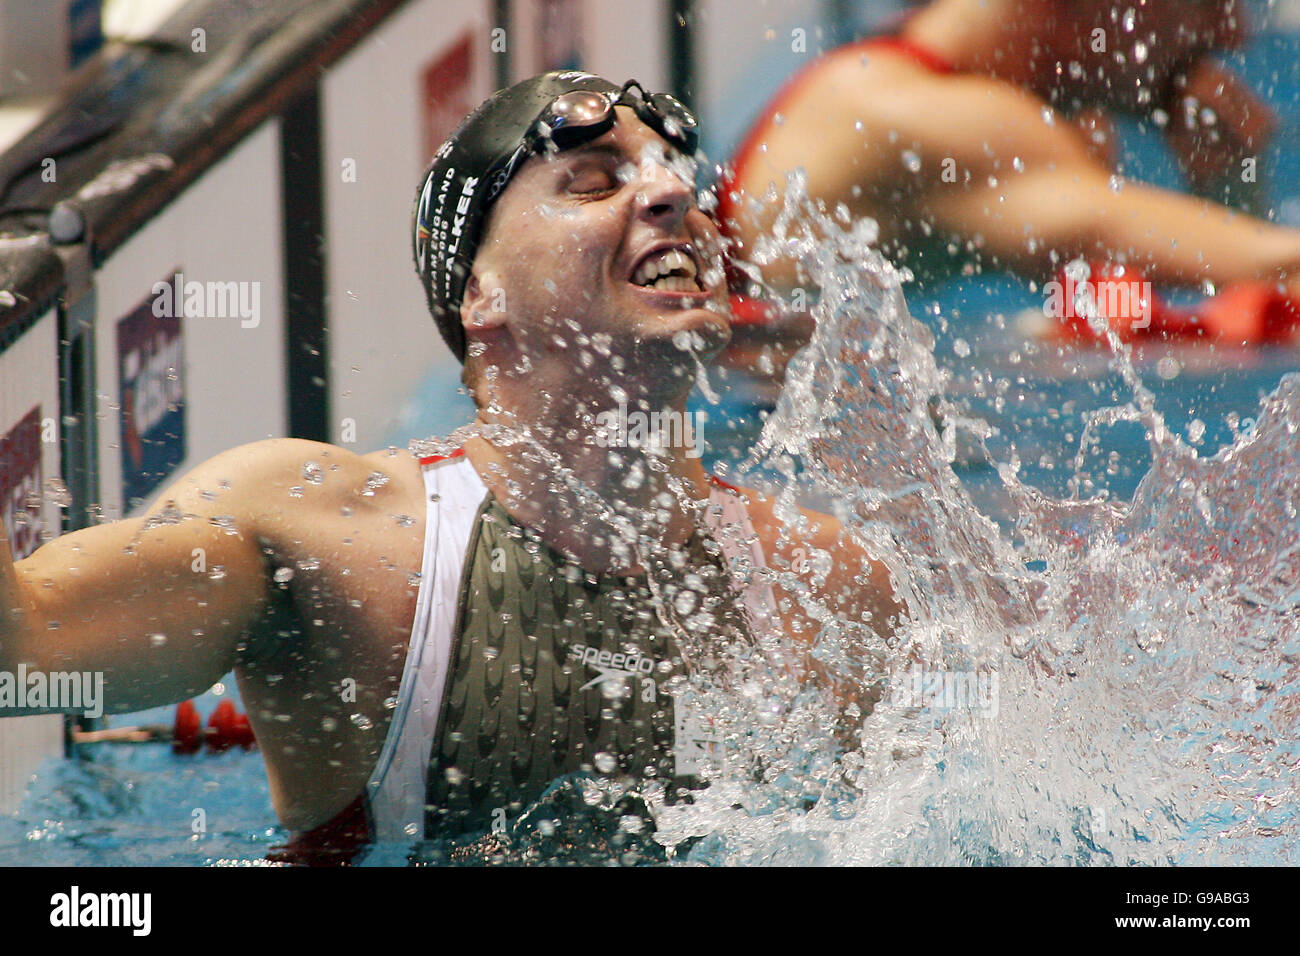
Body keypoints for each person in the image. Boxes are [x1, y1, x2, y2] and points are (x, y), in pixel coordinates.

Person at [0, 72, 900, 864]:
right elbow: (23, 656)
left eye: (675, 174)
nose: (673, 194)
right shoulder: (319, 537)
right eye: (591, 185)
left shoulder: (829, 588)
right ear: (481, 293)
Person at [719, 0, 1300, 367]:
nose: (1234, 31)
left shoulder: (1032, 114)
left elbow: (1203, 299)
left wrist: (1230, 188)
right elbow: (1280, 269)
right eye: (1207, 2)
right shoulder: (935, 120)